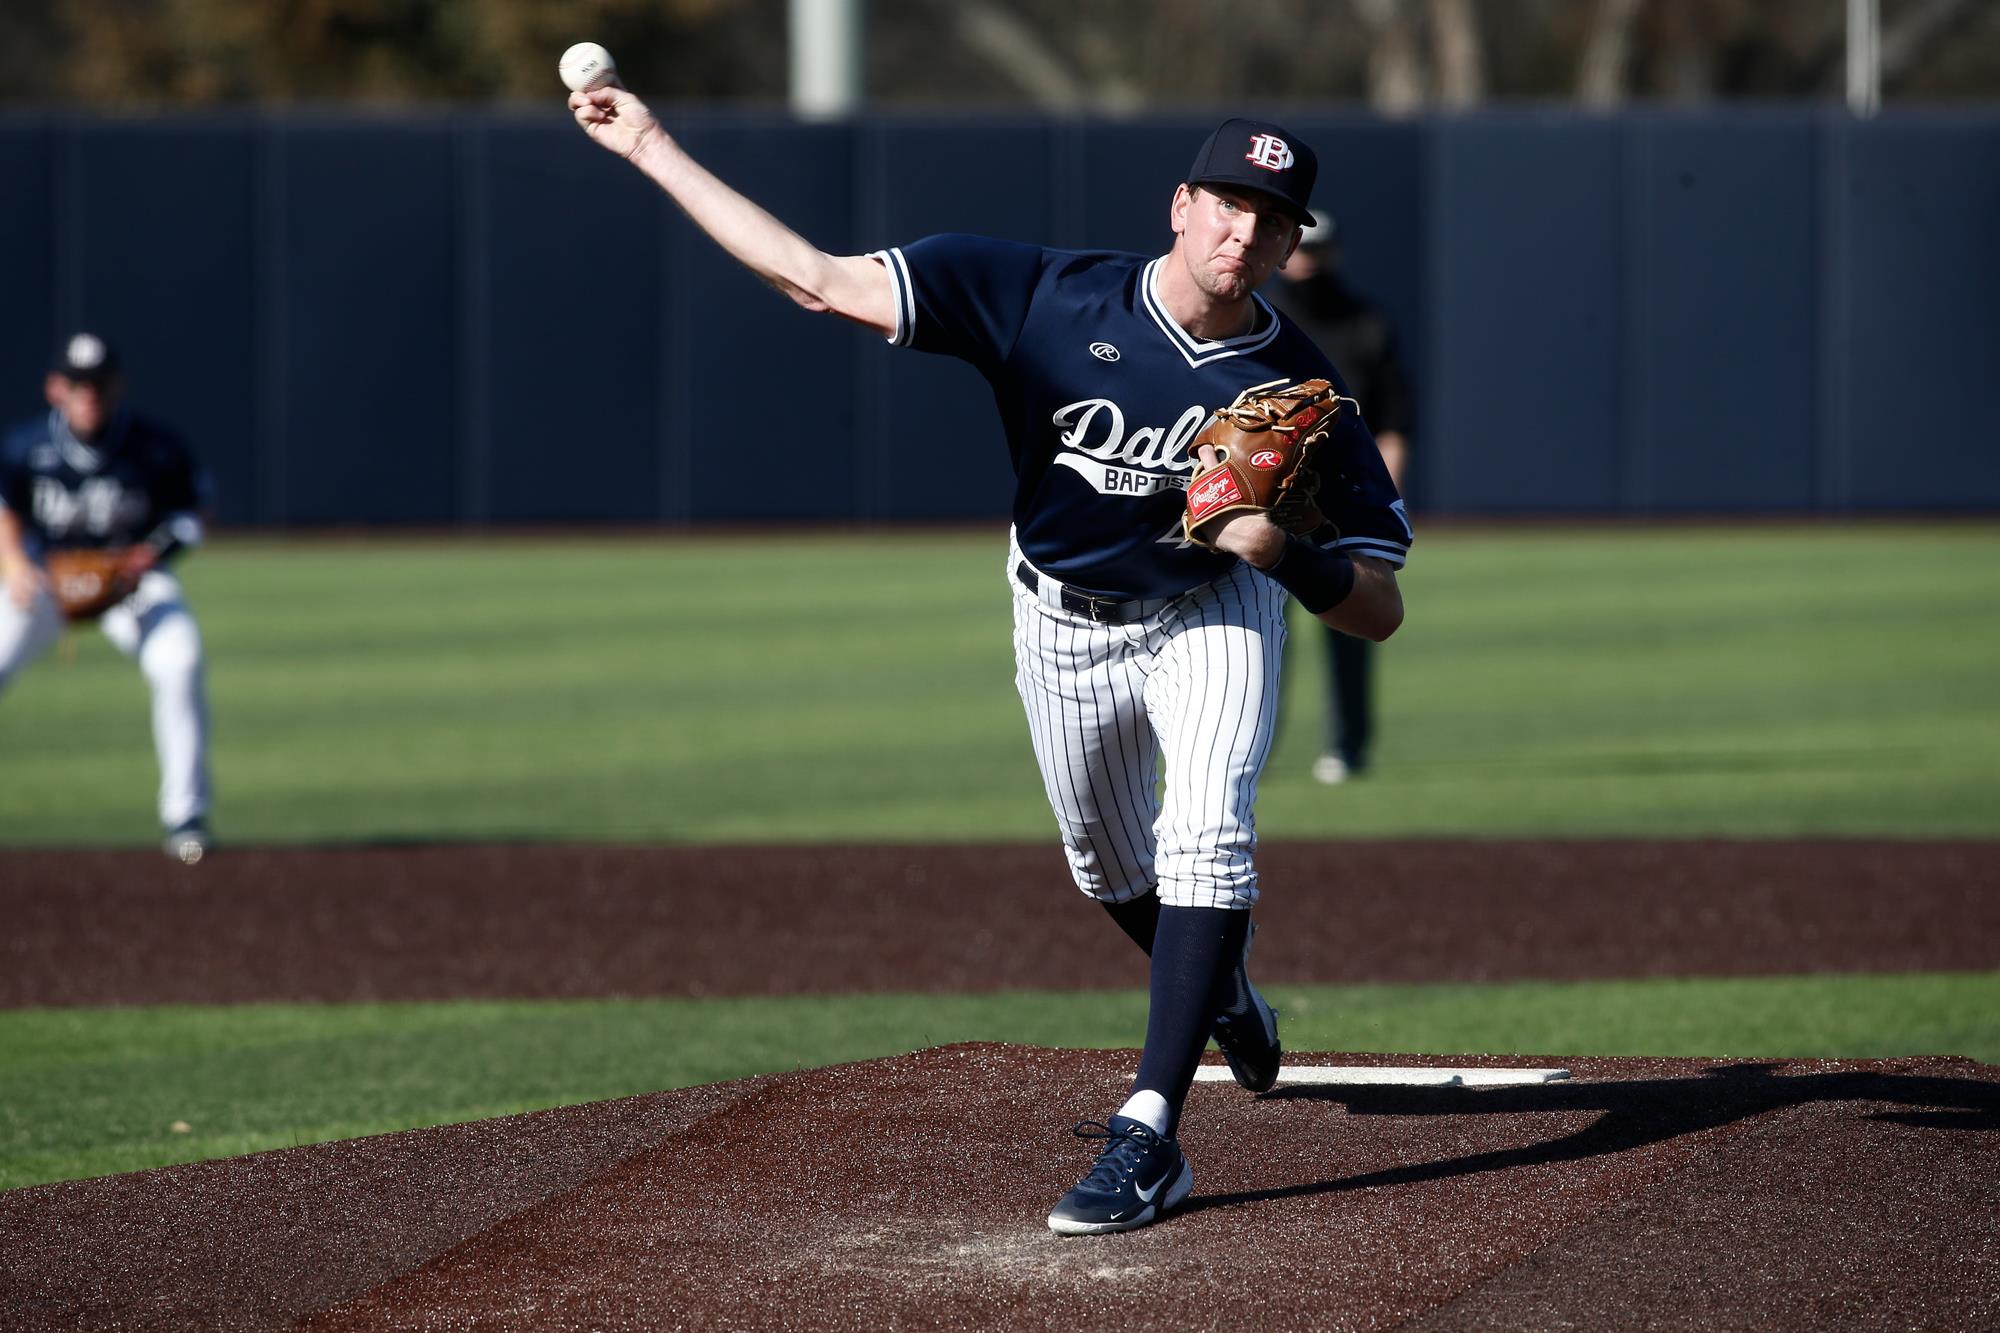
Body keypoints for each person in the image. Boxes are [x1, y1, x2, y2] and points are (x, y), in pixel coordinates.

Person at [569, 91, 1411, 1234]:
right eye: (1225, 204)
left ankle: (1147, 1133)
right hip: (1058, 616)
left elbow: (1379, 609)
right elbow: (816, 278)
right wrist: (651, 147)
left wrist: (1287, 555)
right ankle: (1221, 988)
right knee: (1105, 868)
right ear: (1180, 205)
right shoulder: (1044, 295)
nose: (1241, 235)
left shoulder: (1301, 391)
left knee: (1205, 831)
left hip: (1209, 613)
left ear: (1290, 239)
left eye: (1270, 218)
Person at [1, 333, 216, 864]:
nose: (88, 394)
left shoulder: (154, 446)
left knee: (180, 660)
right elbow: (5, 508)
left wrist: (155, 551)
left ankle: (185, 817)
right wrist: (13, 564)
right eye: (77, 384)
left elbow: (196, 511)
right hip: (46, 582)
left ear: (116, 386)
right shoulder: (27, 447)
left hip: (129, 585)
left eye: (97, 384)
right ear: (56, 388)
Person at [1266, 210, 1414, 784]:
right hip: (1268, 504)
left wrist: (1383, 507)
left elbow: (1394, 421)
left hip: (1342, 506)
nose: (1307, 263)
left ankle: (1349, 746)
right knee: (1255, 632)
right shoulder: (1262, 321)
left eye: (1318, 252)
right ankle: (1247, 751)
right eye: (1300, 250)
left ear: (1334, 255)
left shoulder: (1365, 323)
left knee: (1351, 626)